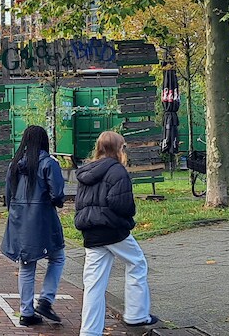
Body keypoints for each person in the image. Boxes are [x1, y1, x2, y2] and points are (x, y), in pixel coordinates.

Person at [74, 130, 159, 336]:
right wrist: (129, 218)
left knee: (94, 283)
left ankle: (89, 331)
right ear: (118, 149)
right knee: (137, 262)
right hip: (113, 230)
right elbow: (121, 204)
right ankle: (136, 314)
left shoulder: (86, 171)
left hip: (91, 232)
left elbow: (80, 203)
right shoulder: (117, 171)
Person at [0, 125, 66, 326]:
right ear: (44, 141)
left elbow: (8, 196)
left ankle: (26, 313)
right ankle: (46, 299)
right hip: (42, 220)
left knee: (26, 266)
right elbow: (57, 194)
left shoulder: (14, 165)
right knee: (57, 256)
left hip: (19, 221)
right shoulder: (48, 163)